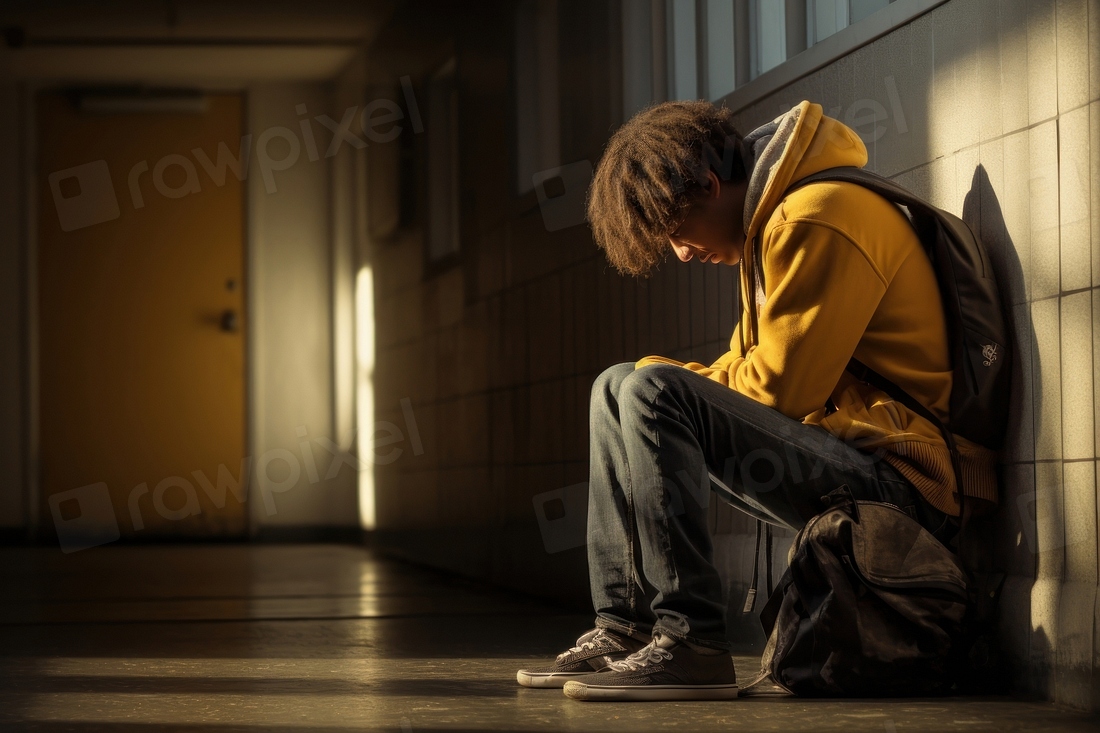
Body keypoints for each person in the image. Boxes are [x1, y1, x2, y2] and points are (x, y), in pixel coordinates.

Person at [515, 100, 998, 702]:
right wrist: (656, 372)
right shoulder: (770, 226)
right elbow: (745, 369)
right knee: (614, 386)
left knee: (648, 388)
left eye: (676, 233)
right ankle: (623, 628)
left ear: (712, 186)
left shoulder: (816, 216)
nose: (682, 255)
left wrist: (663, 377)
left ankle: (692, 643)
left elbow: (780, 392)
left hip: (910, 484)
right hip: (857, 459)